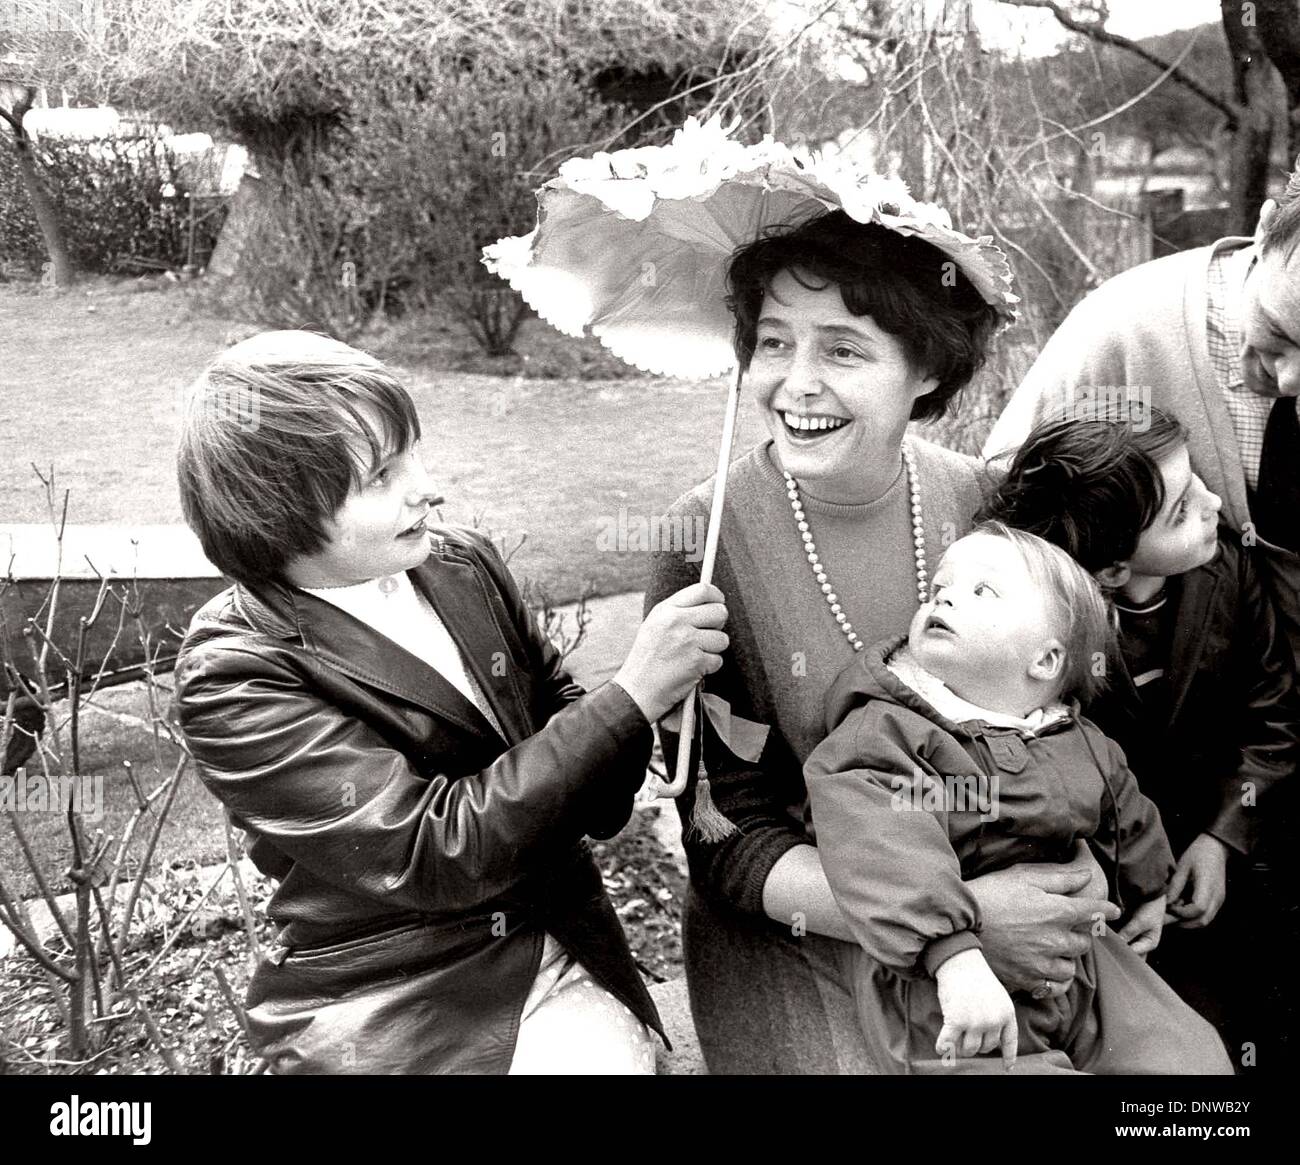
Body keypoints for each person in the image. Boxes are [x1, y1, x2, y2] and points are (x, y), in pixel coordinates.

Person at [645, 208, 1122, 1074]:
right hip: (801, 933)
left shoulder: (986, 506)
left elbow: (1058, 713)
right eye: (775, 342)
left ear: (927, 366)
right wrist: (965, 926)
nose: (794, 383)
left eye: (842, 350)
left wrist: (1082, 861)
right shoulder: (702, 540)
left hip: (1007, 905)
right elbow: (725, 835)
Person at [173, 330, 729, 1074]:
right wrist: (630, 695)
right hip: (397, 999)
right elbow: (432, 851)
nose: (426, 487)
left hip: (555, 941)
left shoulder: (460, 564)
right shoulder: (237, 673)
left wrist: (647, 709)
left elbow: (571, 741)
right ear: (278, 511)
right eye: (381, 476)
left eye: (414, 455)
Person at [804, 524, 1233, 1074]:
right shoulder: (889, 733)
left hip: (1081, 963)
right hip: (946, 988)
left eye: (983, 592)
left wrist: (1148, 887)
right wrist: (952, 956)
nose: (946, 597)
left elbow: (1123, 812)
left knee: (1192, 1061)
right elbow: (877, 842)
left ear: (1045, 662)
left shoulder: (1077, 740)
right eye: (939, 589)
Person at [980, 408, 1300, 1067]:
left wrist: (1220, 838)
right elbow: (1051, 771)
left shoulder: (1228, 571)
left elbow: (1276, 716)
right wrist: (1130, 880)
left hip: (1237, 851)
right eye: (1183, 508)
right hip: (1122, 896)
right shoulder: (1045, 642)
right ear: (1115, 570)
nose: (1216, 502)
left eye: (1200, 483)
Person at [982, 174, 1300, 662]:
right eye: (1280, 329)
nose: (1291, 381)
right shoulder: (1121, 327)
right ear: (1264, 228)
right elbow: (1007, 530)